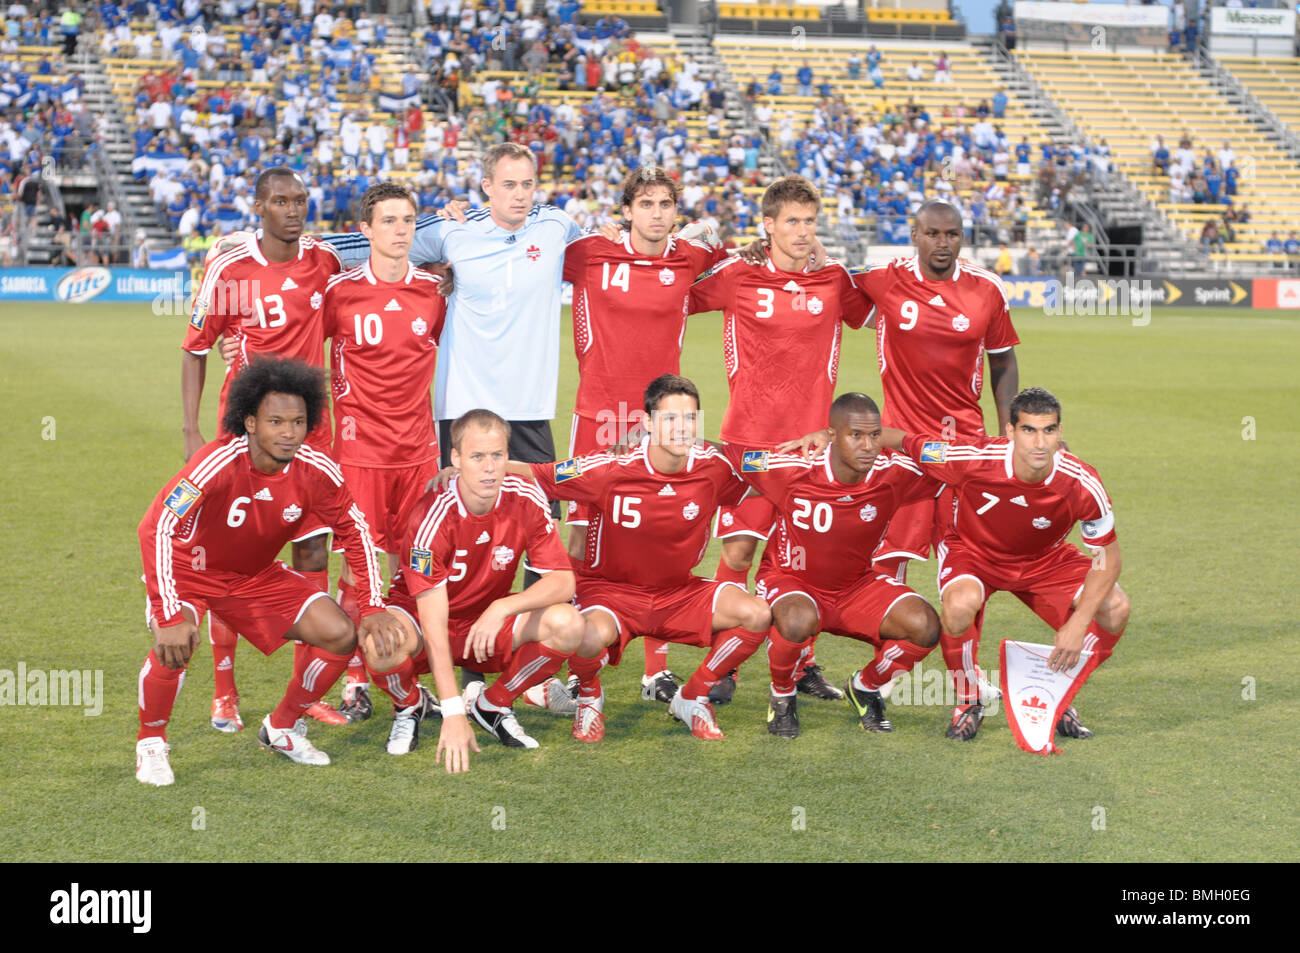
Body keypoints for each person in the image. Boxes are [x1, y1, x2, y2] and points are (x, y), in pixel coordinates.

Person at [134, 358, 398, 785]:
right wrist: (166, 617)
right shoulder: (216, 462)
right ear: (251, 422)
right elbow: (157, 525)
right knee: (175, 644)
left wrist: (372, 605)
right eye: (276, 421)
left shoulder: (317, 470)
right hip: (190, 571)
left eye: (298, 421)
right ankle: (151, 743)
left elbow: (356, 530)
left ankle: (282, 727)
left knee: (340, 633)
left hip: (255, 577)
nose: (289, 432)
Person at [688, 175, 870, 704]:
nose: (802, 231)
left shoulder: (834, 279)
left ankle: (801, 664)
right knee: (740, 552)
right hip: (749, 446)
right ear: (767, 226)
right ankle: (724, 665)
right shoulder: (739, 275)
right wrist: (710, 246)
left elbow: (876, 316)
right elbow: (679, 289)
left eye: (810, 221)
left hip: (814, 449)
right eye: (791, 221)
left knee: (807, 558)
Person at [180, 168, 351, 731]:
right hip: (245, 438)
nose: (293, 210)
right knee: (231, 566)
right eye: (280, 201)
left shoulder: (325, 260)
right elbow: (196, 346)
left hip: (310, 438)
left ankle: (305, 694)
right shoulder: (231, 267)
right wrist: (190, 430)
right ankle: (223, 691)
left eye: (300, 201)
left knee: (311, 561)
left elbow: (378, 258)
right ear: (259, 207)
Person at [526, 375, 772, 742]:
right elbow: (537, 475)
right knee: (587, 638)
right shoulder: (610, 467)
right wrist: (469, 472)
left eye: (690, 419)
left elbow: (773, 474)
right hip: (612, 593)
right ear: (648, 424)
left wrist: (815, 452)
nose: (681, 429)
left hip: (677, 593)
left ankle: (692, 697)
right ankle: (590, 697)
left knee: (756, 615)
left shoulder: (714, 466)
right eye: (670, 419)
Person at [560, 166, 726, 701]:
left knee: (657, 538)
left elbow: (734, 260)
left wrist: (717, 236)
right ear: (626, 210)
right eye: (646, 204)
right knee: (583, 536)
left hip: (659, 423)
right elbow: (527, 247)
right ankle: (577, 659)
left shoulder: (689, 259)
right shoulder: (588, 253)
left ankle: (656, 671)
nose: (656, 214)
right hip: (597, 416)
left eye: (665, 204)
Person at [881, 386, 1129, 741]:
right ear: (1010, 432)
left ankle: (1054, 695)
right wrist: (836, 437)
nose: (1039, 443)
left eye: (1049, 430)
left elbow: (1108, 558)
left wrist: (1079, 622)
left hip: (1045, 560)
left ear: (1060, 432)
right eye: (1028, 430)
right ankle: (969, 700)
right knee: (959, 606)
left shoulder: (1081, 482)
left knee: (1116, 608)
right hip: (973, 551)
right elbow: (906, 441)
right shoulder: (971, 458)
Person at [850, 201, 1019, 709]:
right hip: (900, 449)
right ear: (914, 233)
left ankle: (964, 682)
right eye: (932, 233)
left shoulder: (986, 290)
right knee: (887, 568)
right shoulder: (882, 280)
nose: (942, 243)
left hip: (963, 451)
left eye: (952, 235)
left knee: (967, 569)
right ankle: (878, 675)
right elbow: (822, 280)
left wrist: (1009, 429)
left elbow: (1004, 360)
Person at [376, 409, 586, 751]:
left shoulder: (525, 496)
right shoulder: (431, 515)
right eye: (477, 456)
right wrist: (453, 714)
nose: (489, 467)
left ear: (508, 456)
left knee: (569, 624)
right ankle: (409, 704)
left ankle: (493, 704)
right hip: (424, 622)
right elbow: (433, 624)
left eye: (497, 455)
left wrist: (502, 608)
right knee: (380, 642)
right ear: (456, 458)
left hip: (484, 623)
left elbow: (563, 582)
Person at [741, 393, 942, 738]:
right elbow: (727, 458)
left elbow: (948, 458)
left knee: (924, 626)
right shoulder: (792, 466)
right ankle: (782, 694)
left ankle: (865, 686)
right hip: (791, 581)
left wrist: (1027, 452)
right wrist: (657, 439)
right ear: (832, 436)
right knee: (797, 619)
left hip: (855, 587)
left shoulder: (894, 473)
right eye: (856, 435)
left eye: (875, 435)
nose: (868, 446)